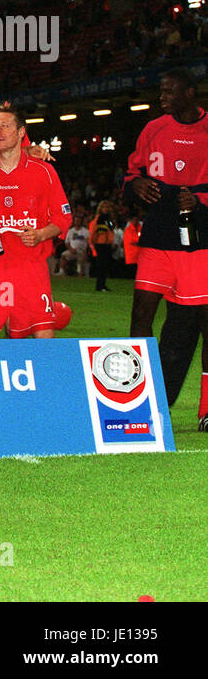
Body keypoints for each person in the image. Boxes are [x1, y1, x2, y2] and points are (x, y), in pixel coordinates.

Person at [124, 68, 208, 426]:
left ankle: (206, 409)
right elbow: (129, 174)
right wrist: (137, 185)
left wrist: (201, 200)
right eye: (161, 91)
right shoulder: (153, 128)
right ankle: (136, 399)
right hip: (157, 239)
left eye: (170, 91)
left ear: (190, 92)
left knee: (206, 323)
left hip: (200, 242)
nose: (163, 97)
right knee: (141, 314)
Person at [0, 105, 70, 339]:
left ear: (22, 132)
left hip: (31, 267)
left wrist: (41, 234)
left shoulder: (45, 171)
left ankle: (42, 376)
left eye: (5, 126)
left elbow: (63, 217)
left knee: (44, 338)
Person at [88, 200, 118, 291]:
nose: (106, 209)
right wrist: (93, 243)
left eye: (107, 207)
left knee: (105, 265)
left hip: (106, 244)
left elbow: (111, 230)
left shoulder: (108, 220)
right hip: (100, 244)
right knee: (101, 265)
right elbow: (93, 232)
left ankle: (102, 285)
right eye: (104, 207)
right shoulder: (99, 219)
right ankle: (100, 286)